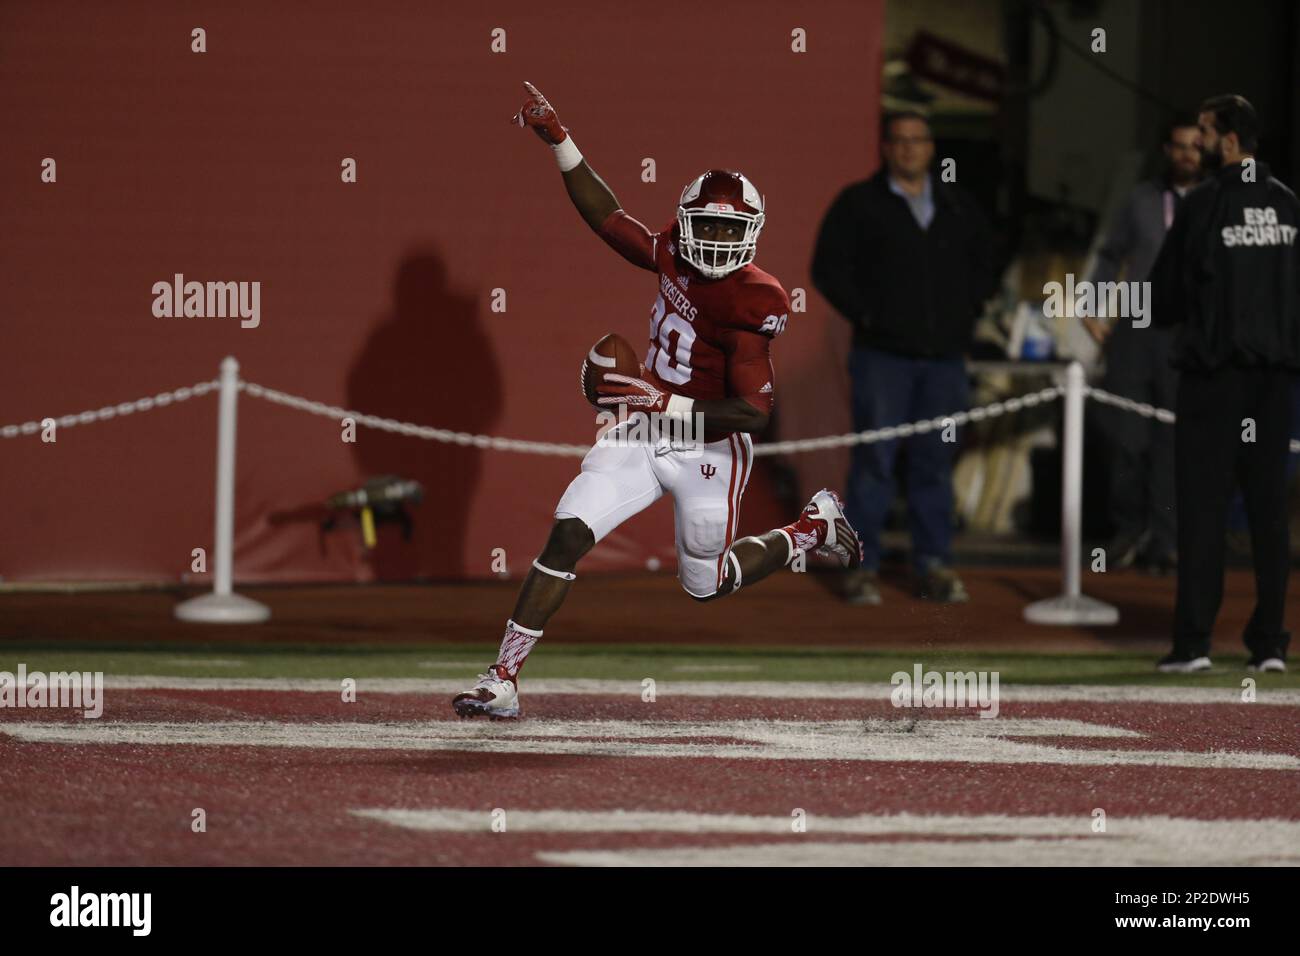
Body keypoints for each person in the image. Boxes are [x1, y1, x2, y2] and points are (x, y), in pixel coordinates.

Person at [452, 83, 863, 719]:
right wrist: (559, 139)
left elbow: (753, 413)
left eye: (732, 228)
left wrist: (657, 399)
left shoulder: (757, 301)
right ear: (687, 224)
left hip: (709, 443)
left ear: (751, 232)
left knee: (706, 582)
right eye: (710, 226)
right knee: (567, 533)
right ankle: (502, 676)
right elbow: (607, 218)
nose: (720, 240)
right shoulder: (671, 251)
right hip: (641, 427)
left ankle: (810, 529)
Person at [812, 110, 995, 606]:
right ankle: (863, 568)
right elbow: (826, 269)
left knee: (935, 464)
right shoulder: (859, 204)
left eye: (918, 140)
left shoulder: (958, 206)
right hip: (882, 359)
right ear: (886, 148)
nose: (910, 149)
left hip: (944, 361)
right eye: (900, 140)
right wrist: (870, 316)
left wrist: (966, 313)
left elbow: (986, 264)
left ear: (932, 148)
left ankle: (933, 564)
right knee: (875, 463)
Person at [1149, 94, 1299, 674]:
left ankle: (1193, 644)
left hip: (1215, 382)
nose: (1199, 142)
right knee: (1268, 513)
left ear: (1229, 141)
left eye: (1206, 132)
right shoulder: (1288, 205)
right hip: (1274, 384)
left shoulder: (1204, 204)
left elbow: (1165, 297)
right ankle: (1269, 645)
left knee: (1203, 511)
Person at [1087, 116, 1203, 573]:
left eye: (1196, 146)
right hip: (1136, 328)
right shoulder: (1140, 200)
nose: (1188, 154)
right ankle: (1128, 527)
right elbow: (1111, 253)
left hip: (1190, 333)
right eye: (1179, 146)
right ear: (1166, 150)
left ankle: (1167, 540)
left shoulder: (1217, 202)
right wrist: (1092, 309)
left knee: (1175, 441)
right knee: (1125, 435)